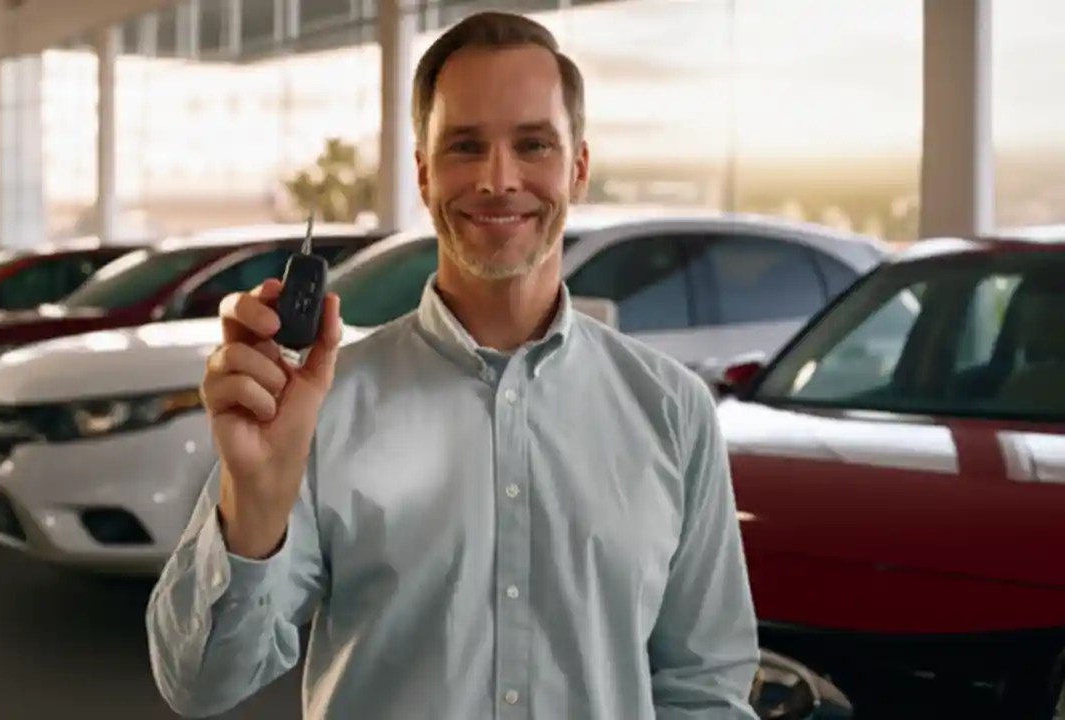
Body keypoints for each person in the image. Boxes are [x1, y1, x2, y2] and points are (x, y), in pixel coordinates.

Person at [146, 10, 760, 719]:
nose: (499, 180)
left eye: (534, 145)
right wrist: (251, 501)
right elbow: (199, 687)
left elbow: (706, 686)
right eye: (465, 147)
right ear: (424, 173)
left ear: (579, 168)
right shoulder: (319, 406)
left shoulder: (673, 411)